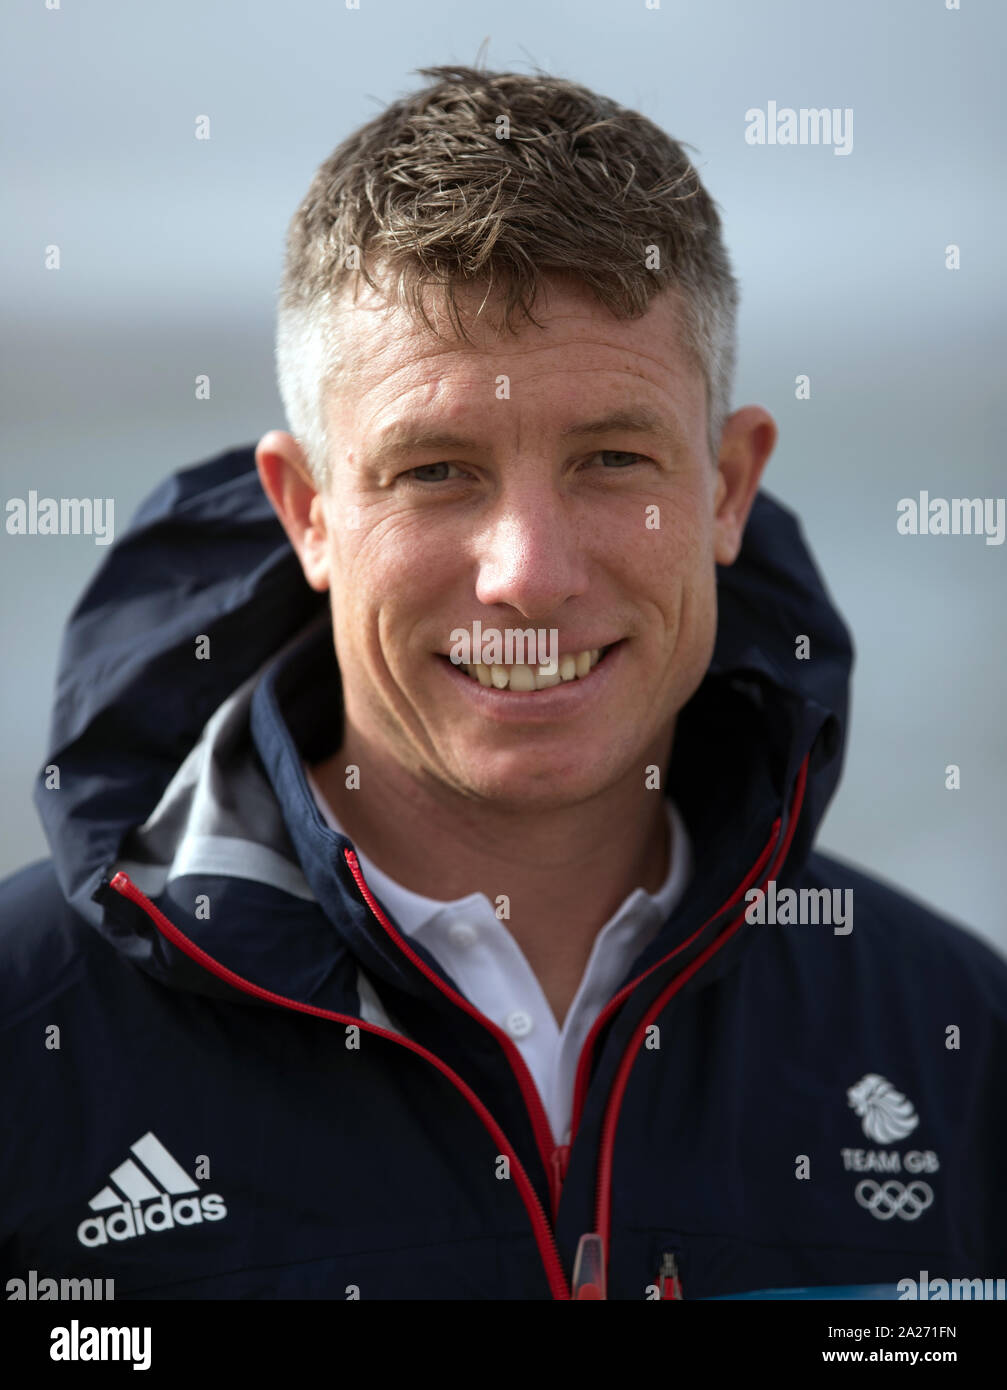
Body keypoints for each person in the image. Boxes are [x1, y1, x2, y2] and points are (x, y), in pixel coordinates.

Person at [1, 64, 1004, 1302]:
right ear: (306, 513)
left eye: (611, 457)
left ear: (726, 488)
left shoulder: (956, 1037)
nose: (527, 574)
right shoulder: (24, 1028)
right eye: (434, 471)